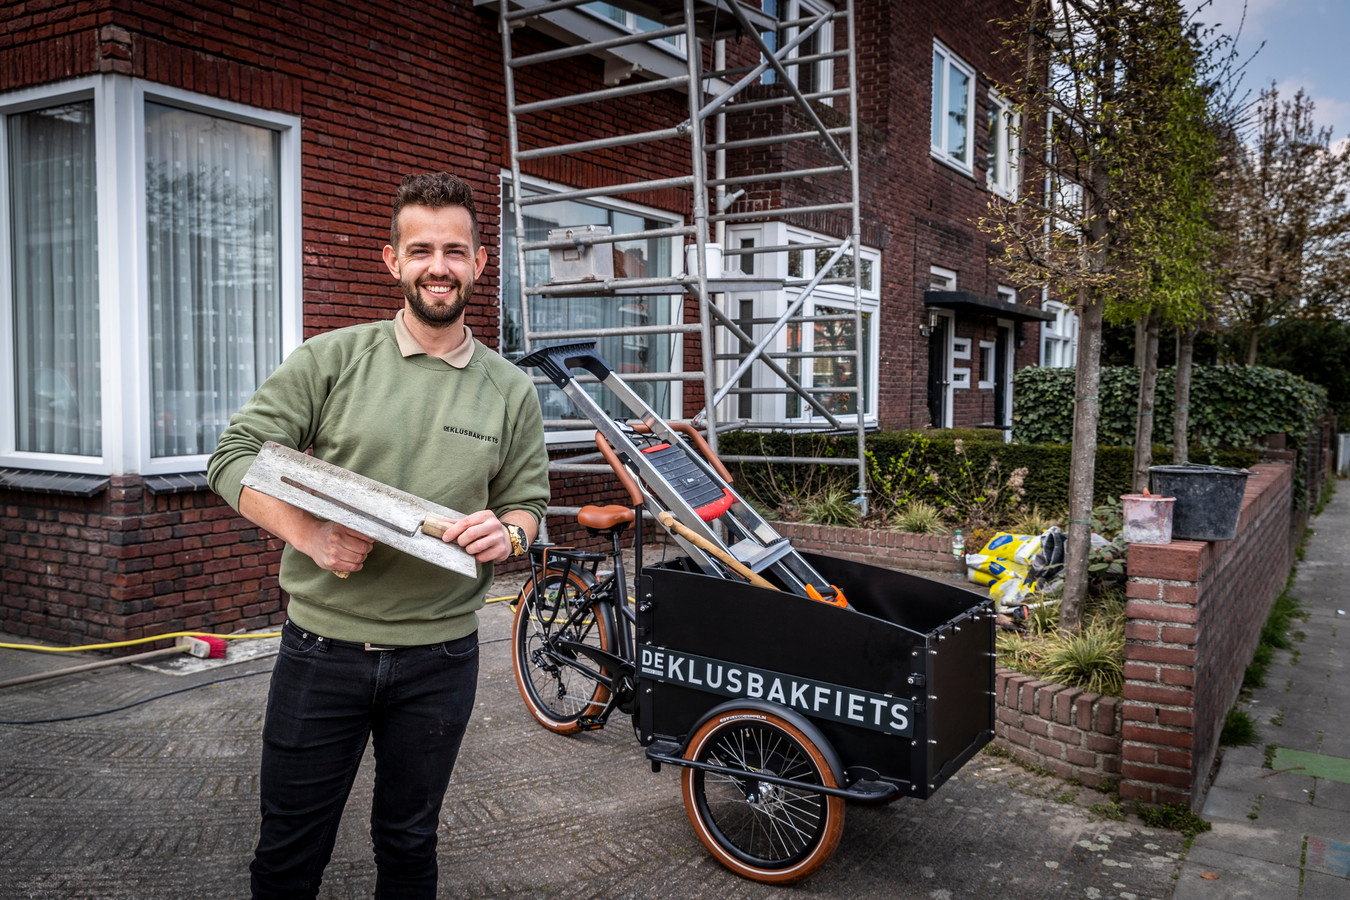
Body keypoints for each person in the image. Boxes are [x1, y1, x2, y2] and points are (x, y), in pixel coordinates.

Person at [208, 171, 549, 899]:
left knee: (409, 844)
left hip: (442, 659)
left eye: (454, 251)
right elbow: (233, 457)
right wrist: (310, 536)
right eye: (420, 249)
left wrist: (511, 537)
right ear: (392, 260)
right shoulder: (331, 360)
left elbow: (526, 505)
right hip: (322, 652)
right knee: (289, 853)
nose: (438, 266)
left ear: (480, 262)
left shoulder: (510, 389)